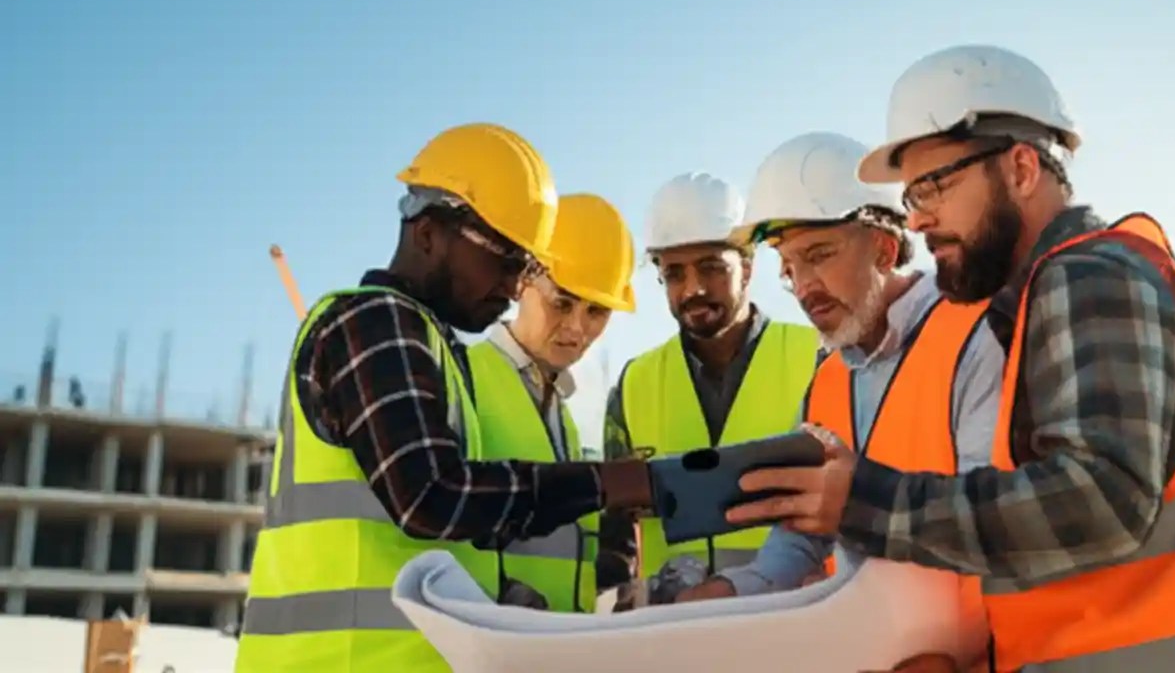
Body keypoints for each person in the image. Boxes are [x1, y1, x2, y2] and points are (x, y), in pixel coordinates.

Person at [725, 45, 1175, 672]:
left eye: (936, 185)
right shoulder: (1066, 291)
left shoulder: (1090, 276)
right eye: (911, 196)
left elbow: (1100, 502)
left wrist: (864, 502)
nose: (920, 218)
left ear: (1020, 170)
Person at [235, 123, 653, 672]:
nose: (511, 288)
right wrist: (608, 484)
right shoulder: (374, 322)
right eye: (505, 261)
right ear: (429, 233)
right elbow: (430, 494)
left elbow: (459, 534)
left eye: (525, 268)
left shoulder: (432, 347)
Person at [674, 132, 1001, 672]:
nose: (804, 287)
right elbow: (801, 540)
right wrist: (733, 593)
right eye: (788, 267)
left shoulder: (976, 336)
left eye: (818, 256)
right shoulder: (827, 380)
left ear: (884, 248)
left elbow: (999, 527)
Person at [596, 172, 821, 607]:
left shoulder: (817, 359)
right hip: (678, 630)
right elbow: (617, 526)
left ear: (748, 267)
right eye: (674, 274)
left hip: (792, 619)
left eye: (712, 268)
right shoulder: (635, 382)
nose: (693, 288)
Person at [466, 192, 637, 613]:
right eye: (561, 302)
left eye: (596, 311)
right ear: (522, 280)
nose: (576, 329)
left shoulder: (566, 414)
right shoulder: (464, 379)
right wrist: (497, 595)